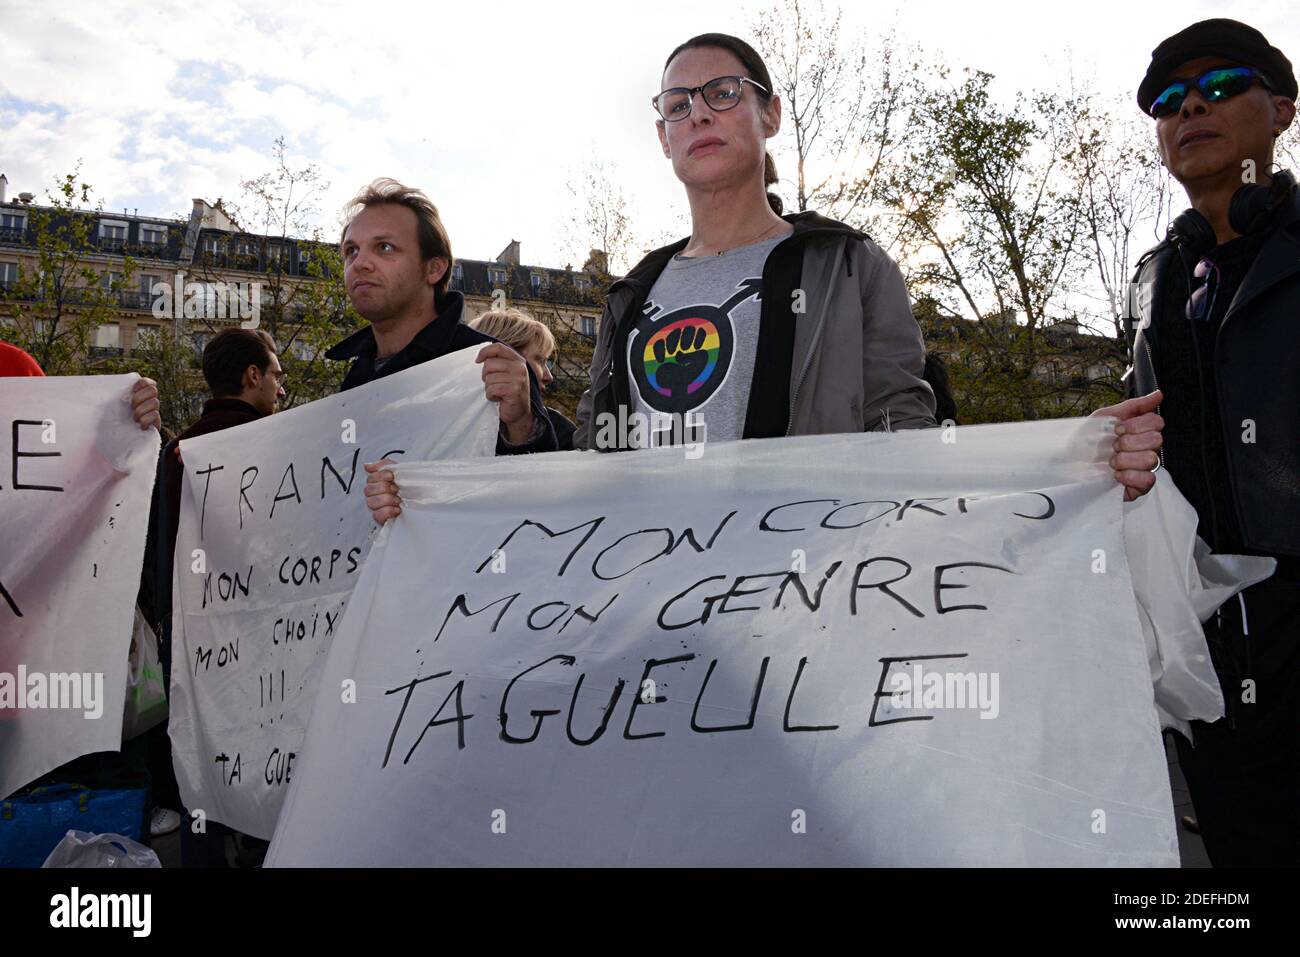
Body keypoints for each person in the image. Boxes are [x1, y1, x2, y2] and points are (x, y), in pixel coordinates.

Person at [365, 33, 1163, 523]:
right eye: (678, 103)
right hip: (646, 609)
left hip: (804, 607)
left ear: (769, 114)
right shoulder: (630, 296)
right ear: (661, 136)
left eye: (721, 93)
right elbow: (590, 470)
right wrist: (500, 444)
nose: (699, 114)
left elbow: (911, 442)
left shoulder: (848, 265)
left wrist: (1068, 463)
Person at [1127, 18, 1299, 866]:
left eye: (1222, 85)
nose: (1191, 104)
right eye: (1168, 99)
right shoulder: (1153, 283)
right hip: (1203, 642)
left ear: (1283, 109)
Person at [327, 179, 558, 523]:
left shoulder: (488, 363)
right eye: (351, 250)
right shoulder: (354, 377)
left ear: (434, 268)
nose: (359, 263)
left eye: (385, 248)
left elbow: (544, 504)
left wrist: (522, 424)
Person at [149, 327, 284, 865]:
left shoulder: (176, 451)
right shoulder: (276, 447)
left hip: (190, 641)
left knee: (199, 756)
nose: (281, 386)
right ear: (251, 376)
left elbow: (153, 550)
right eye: (275, 373)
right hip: (267, 641)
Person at [469, 307, 577, 450]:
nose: (549, 377)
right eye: (540, 361)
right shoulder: (445, 422)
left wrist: (521, 423)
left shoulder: (560, 429)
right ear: (500, 359)